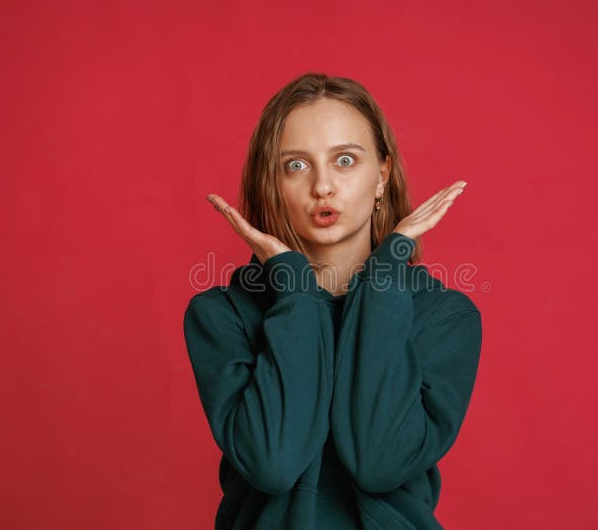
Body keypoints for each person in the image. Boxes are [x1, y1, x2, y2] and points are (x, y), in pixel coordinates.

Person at [183, 72, 483, 529]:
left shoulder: (443, 317)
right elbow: (274, 462)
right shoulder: (223, 315)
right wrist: (297, 291)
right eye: (296, 166)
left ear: (381, 175)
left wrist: (385, 275)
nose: (322, 186)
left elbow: (378, 461)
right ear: (272, 183)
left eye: (345, 160)